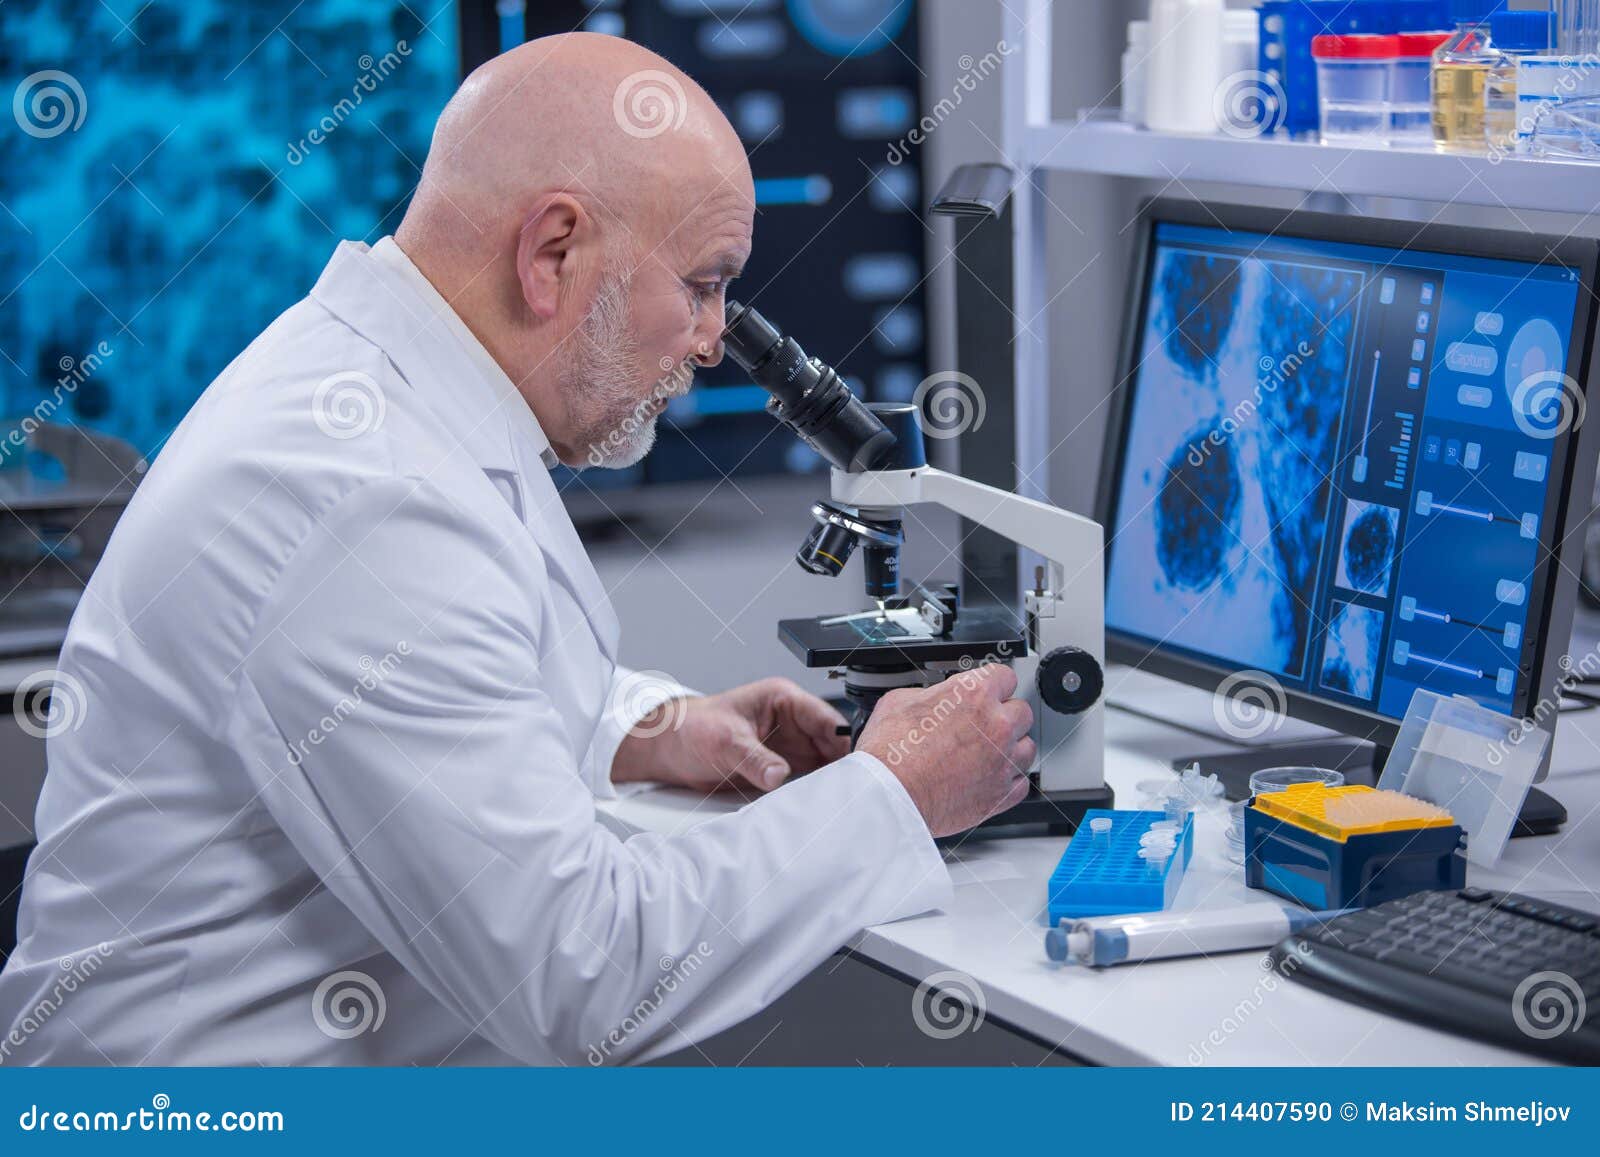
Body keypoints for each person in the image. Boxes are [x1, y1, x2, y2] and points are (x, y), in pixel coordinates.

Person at [0, 33, 1034, 1066]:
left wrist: (649, 728)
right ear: (553, 255)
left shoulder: (390, 392)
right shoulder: (362, 494)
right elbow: (585, 975)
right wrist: (892, 792)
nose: (713, 339)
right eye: (702, 283)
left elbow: (450, 678)